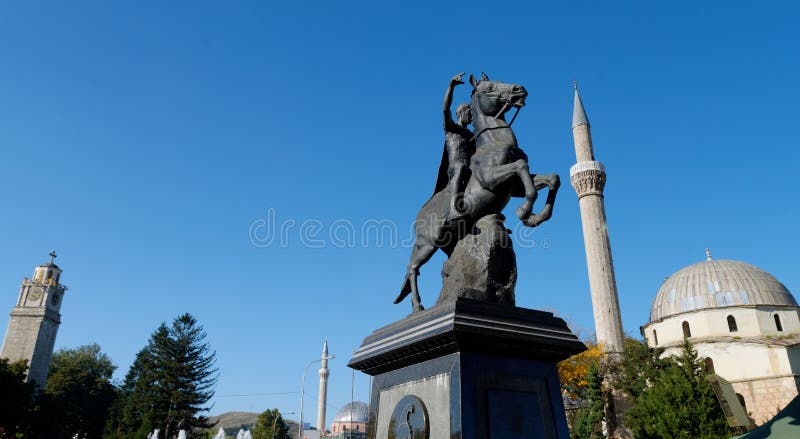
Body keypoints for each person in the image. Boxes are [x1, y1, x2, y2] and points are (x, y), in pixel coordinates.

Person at [440, 72, 474, 216]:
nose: (472, 117)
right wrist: (451, 86)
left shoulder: (471, 135)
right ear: (461, 113)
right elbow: (445, 109)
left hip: (470, 168)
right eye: (470, 113)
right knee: (460, 167)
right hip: (455, 167)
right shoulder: (451, 128)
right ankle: (454, 209)